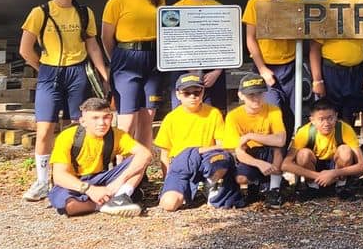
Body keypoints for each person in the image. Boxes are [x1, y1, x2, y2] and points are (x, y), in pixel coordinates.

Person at [19, 0, 109, 202]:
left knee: (75, 127)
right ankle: (41, 181)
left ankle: (70, 175)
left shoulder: (84, 12)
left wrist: (104, 73)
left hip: (77, 72)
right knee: (45, 128)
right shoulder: (41, 12)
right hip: (50, 72)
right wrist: (43, 69)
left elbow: (92, 45)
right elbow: (25, 49)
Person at [48, 97, 153, 217]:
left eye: (106, 117)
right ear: (83, 121)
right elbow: (59, 176)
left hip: (102, 179)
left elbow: (145, 154)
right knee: (69, 206)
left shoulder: (117, 135)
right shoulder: (67, 137)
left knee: (138, 160)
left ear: (111, 118)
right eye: (95, 118)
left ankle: (121, 197)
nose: (102, 123)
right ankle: (102, 205)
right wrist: (90, 190)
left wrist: (118, 182)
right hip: (75, 182)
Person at [102, 0, 165, 149]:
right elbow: (106, 37)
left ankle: (141, 169)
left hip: (153, 58)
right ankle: (122, 168)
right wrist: (117, 60)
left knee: (148, 117)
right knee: (127, 119)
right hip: (126, 58)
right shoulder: (117, 1)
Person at [156, 74, 239, 211]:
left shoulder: (213, 113)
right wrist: (167, 179)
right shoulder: (171, 119)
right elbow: (164, 154)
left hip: (207, 158)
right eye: (187, 93)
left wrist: (198, 151)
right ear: (178, 94)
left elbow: (223, 146)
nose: (192, 96)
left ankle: (211, 184)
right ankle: (179, 189)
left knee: (223, 159)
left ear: (203, 92)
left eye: (197, 92)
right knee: (169, 204)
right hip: (181, 162)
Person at [242, 0, 302, 133]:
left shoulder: (296, 0)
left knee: (290, 115)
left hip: (290, 67)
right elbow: (250, 38)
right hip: (266, 66)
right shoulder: (256, 0)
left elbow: (299, 33)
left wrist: (281, 9)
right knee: (270, 113)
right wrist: (262, 69)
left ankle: (285, 158)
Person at [309, 0, 363, 120]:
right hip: (332, 72)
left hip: (356, 72)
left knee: (349, 116)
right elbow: (314, 48)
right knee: (329, 115)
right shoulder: (324, 10)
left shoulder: (360, 9)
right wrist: (317, 80)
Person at [166, 0, 227, 110]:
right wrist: (190, 68)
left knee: (214, 114)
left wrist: (217, 71)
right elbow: (172, 44)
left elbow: (226, 43)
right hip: (183, 70)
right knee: (184, 114)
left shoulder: (220, 8)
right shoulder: (176, 9)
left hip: (213, 72)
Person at [223, 74, 288, 206]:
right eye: (250, 95)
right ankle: (255, 185)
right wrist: (259, 164)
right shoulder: (233, 116)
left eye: (259, 93)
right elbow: (237, 149)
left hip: (269, 151)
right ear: (241, 95)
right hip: (249, 154)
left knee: (278, 148)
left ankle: (274, 189)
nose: (256, 98)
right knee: (241, 178)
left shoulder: (273, 110)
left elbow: (281, 140)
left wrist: (250, 136)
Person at [282, 98, 363, 200]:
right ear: (312, 120)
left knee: (345, 150)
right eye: (321, 119)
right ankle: (312, 187)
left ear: (336, 116)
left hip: (337, 168)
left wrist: (333, 173)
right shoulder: (304, 132)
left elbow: (362, 165)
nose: (326, 123)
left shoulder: (345, 129)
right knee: (303, 154)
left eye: (330, 118)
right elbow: (286, 165)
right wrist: (318, 176)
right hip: (315, 169)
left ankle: (341, 186)